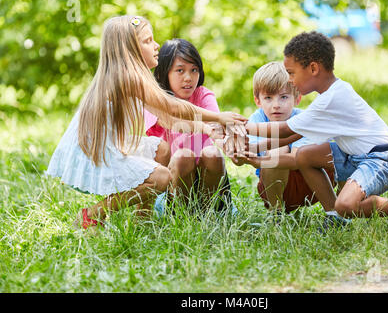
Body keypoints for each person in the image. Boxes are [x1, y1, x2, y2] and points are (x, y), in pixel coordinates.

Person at [45, 15, 246, 229]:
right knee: (161, 177)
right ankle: (92, 214)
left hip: (109, 142)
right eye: (148, 41)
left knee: (161, 148)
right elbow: (173, 107)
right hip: (97, 148)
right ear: (129, 49)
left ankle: (144, 218)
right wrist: (218, 117)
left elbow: (168, 119)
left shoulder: (132, 76)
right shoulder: (126, 76)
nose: (156, 45)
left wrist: (206, 127)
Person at [243, 31, 388, 236]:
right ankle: (334, 215)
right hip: (355, 156)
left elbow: (284, 130)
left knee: (347, 206)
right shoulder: (329, 96)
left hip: (382, 158)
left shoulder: (332, 99)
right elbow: (291, 136)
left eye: (292, 73)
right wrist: (251, 149)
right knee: (305, 155)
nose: (291, 81)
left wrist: (242, 127)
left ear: (313, 69)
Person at [232, 61, 334, 213]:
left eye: (284, 97)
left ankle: (338, 210)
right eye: (268, 98)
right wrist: (238, 153)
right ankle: (276, 213)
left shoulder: (303, 119)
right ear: (257, 101)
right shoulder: (257, 119)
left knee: (341, 150)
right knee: (276, 151)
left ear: (297, 98)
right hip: (272, 185)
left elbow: (296, 160)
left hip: (310, 183)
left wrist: (254, 158)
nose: (276, 105)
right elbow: (247, 157)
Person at [145, 38, 232, 212]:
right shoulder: (154, 99)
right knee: (183, 156)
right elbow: (172, 122)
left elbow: (216, 126)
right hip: (171, 181)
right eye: (180, 70)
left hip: (207, 179)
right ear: (163, 73)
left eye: (194, 70)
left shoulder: (203, 95)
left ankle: (208, 213)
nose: (188, 78)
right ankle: (182, 215)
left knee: (212, 153)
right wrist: (204, 127)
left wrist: (229, 142)